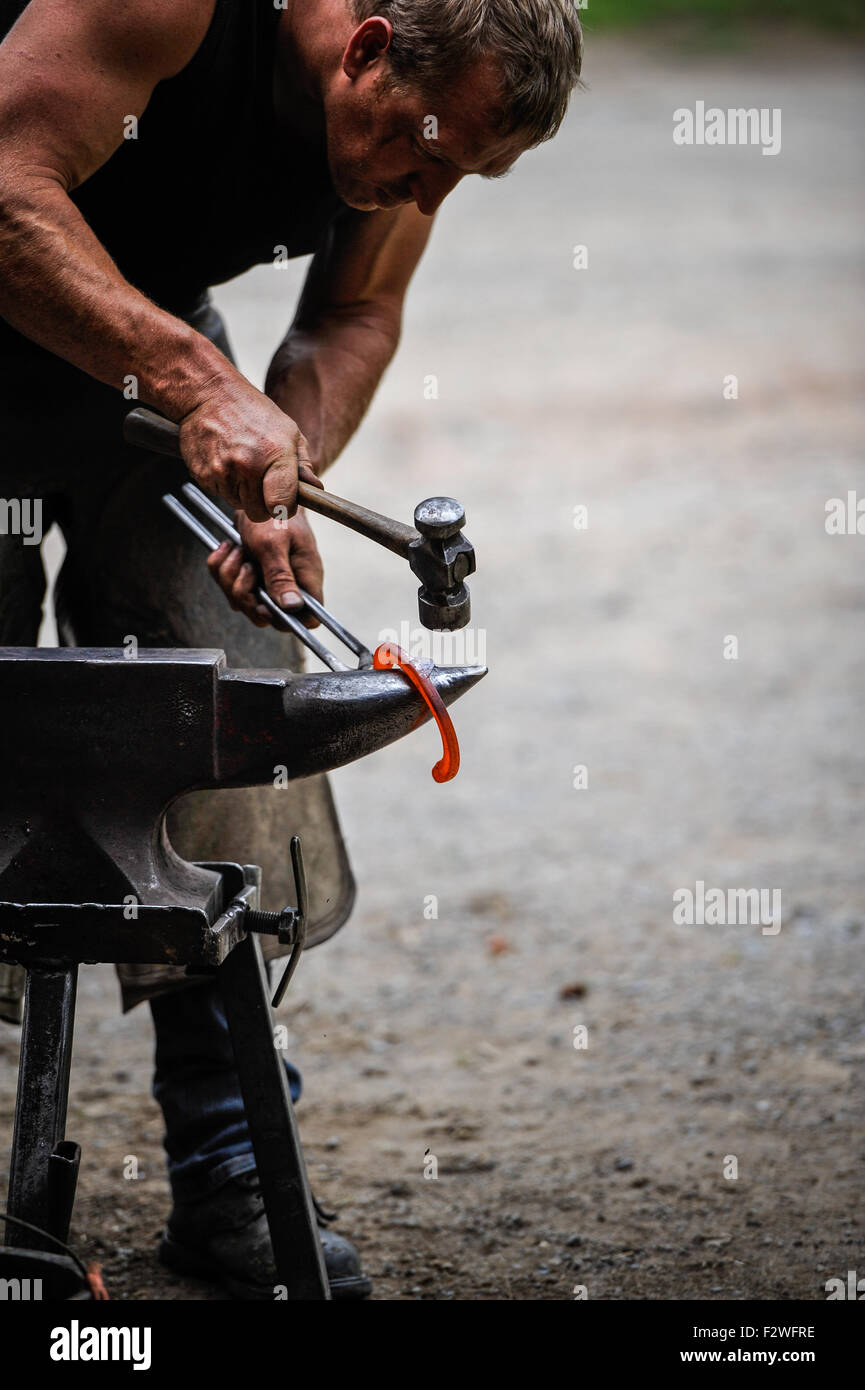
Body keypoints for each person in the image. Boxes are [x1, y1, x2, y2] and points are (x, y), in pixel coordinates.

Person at [0, 0, 583, 1299]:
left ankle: (227, 1165)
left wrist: (281, 459)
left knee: (229, 696)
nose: (420, 195)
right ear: (366, 46)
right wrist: (203, 385)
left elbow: (350, 321)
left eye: (455, 179)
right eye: (422, 159)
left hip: (132, 358)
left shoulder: (417, 122)